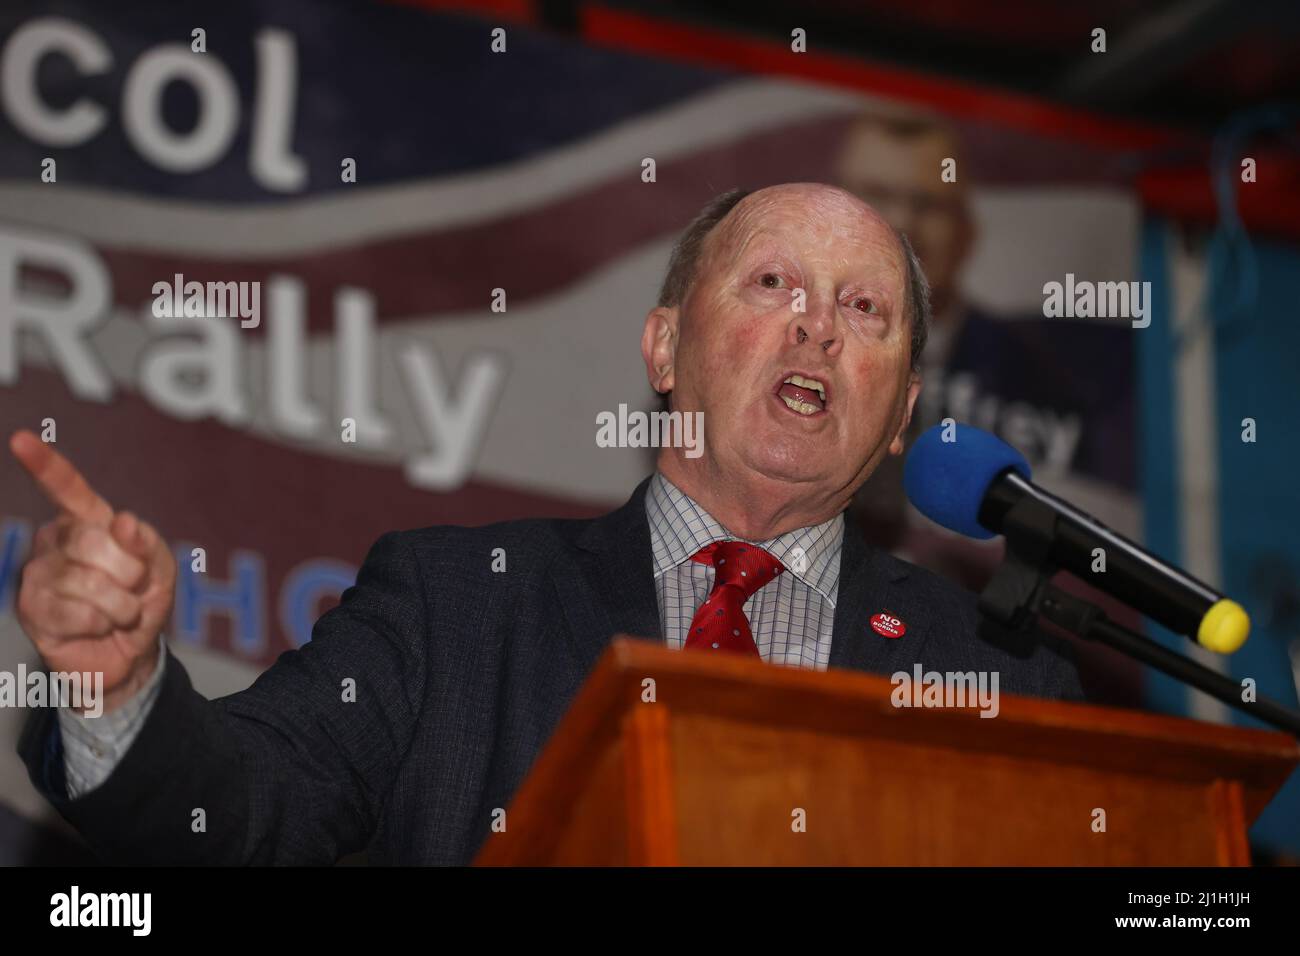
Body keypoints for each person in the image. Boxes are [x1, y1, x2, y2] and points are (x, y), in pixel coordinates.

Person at [12, 183, 1083, 865]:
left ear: (899, 414)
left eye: (864, 311)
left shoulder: (1000, 677)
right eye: (772, 283)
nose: (816, 323)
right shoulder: (455, 604)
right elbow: (243, 814)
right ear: (662, 350)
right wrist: (116, 688)